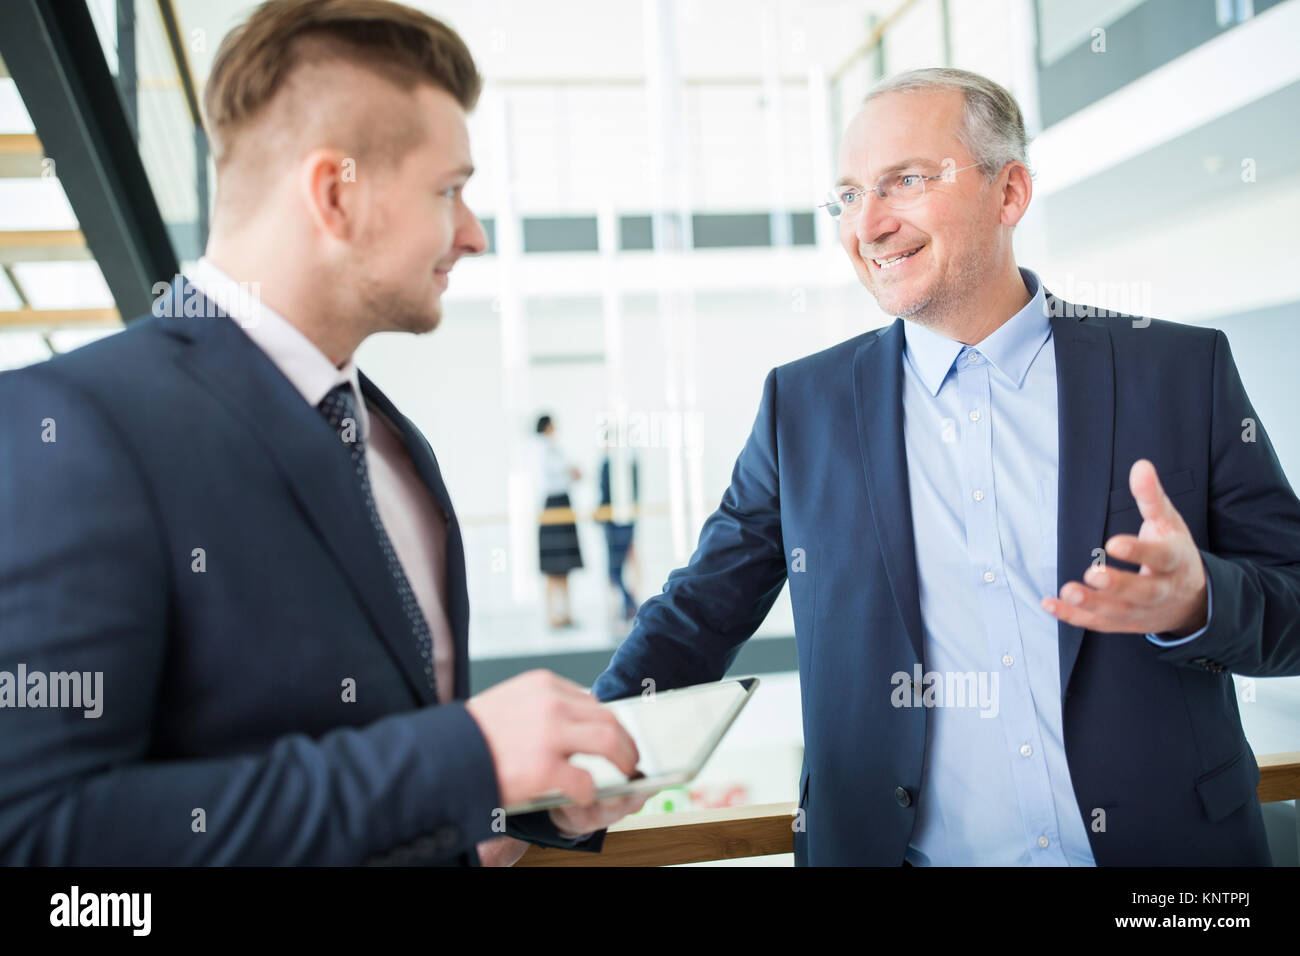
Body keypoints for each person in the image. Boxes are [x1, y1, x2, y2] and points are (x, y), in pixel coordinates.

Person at [574, 68, 1300, 864]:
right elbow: (697, 616)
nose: (869, 224)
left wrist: (1200, 602)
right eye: (848, 195)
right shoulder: (804, 407)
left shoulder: (1179, 371)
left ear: (1009, 192)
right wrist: (564, 776)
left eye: (906, 182)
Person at [0, 0, 645, 866]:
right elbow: (42, 833)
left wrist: (518, 800)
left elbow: (389, 762)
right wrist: (461, 758)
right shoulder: (73, 428)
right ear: (336, 195)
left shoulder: (391, 441)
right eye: (449, 190)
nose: (473, 234)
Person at [535, 414, 584, 628]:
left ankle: (566, 613)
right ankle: (552, 616)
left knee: (564, 567)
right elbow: (553, 475)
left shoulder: (555, 448)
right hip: (553, 504)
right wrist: (570, 473)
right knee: (552, 568)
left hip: (563, 503)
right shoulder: (539, 448)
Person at [598, 453, 640, 621]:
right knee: (616, 571)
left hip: (618, 523)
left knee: (615, 572)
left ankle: (631, 605)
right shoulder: (626, 462)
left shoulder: (613, 464)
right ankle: (629, 606)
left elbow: (605, 493)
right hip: (620, 522)